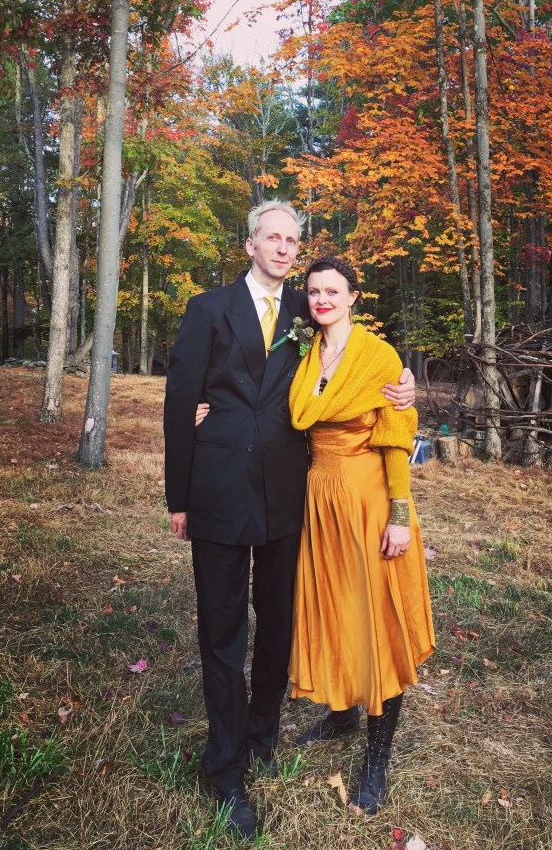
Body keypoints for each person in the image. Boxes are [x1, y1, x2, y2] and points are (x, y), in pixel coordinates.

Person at [164, 200, 415, 840]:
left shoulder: (311, 313)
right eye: (271, 238)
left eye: (292, 240)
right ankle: (224, 770)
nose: (282, 247)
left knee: (279, 625)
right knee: (224, 633)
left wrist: (407, 387)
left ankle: (262, 735)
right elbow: (177, 405)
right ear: (249, 245)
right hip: (219, 492)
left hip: (287, 498)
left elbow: (357, 360)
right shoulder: (208, 309)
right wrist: (179, 498)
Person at [286, 255, 435, 815]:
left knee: (376, 619)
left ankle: (376, 758)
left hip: (369, 497)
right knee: (333, 607)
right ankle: (343, 712)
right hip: (319, 498)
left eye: (333, 291)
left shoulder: (379, 356)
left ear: (353, 297)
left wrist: (400, 512)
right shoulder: (303, 352)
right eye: (314, 291)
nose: (322, 299)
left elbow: (395, 437)